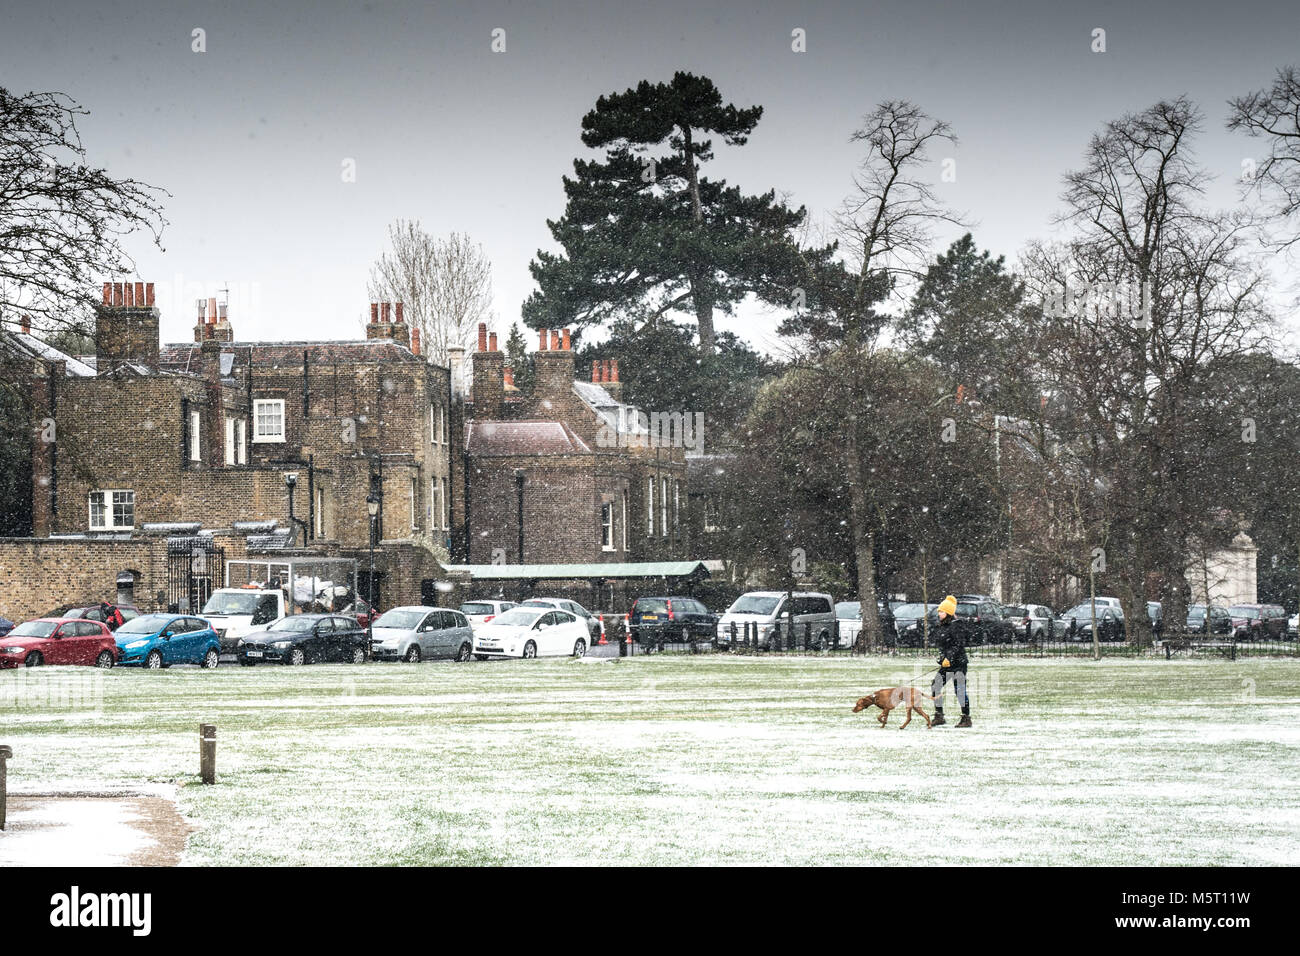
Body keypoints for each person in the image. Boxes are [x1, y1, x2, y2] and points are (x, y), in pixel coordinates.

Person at [930, 594, 971, 728]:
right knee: (935, 685)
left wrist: (950, 658)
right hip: (947, 664)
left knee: (959, 690)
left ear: (948, 613)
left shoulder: (956, 626)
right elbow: (944, 646)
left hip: (959, 664)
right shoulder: (943, 626)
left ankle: (966, 718)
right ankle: (939, 715)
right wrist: (942, 659)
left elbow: (957, 645)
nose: (939, 613)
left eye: (941, 611)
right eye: (939, 611)